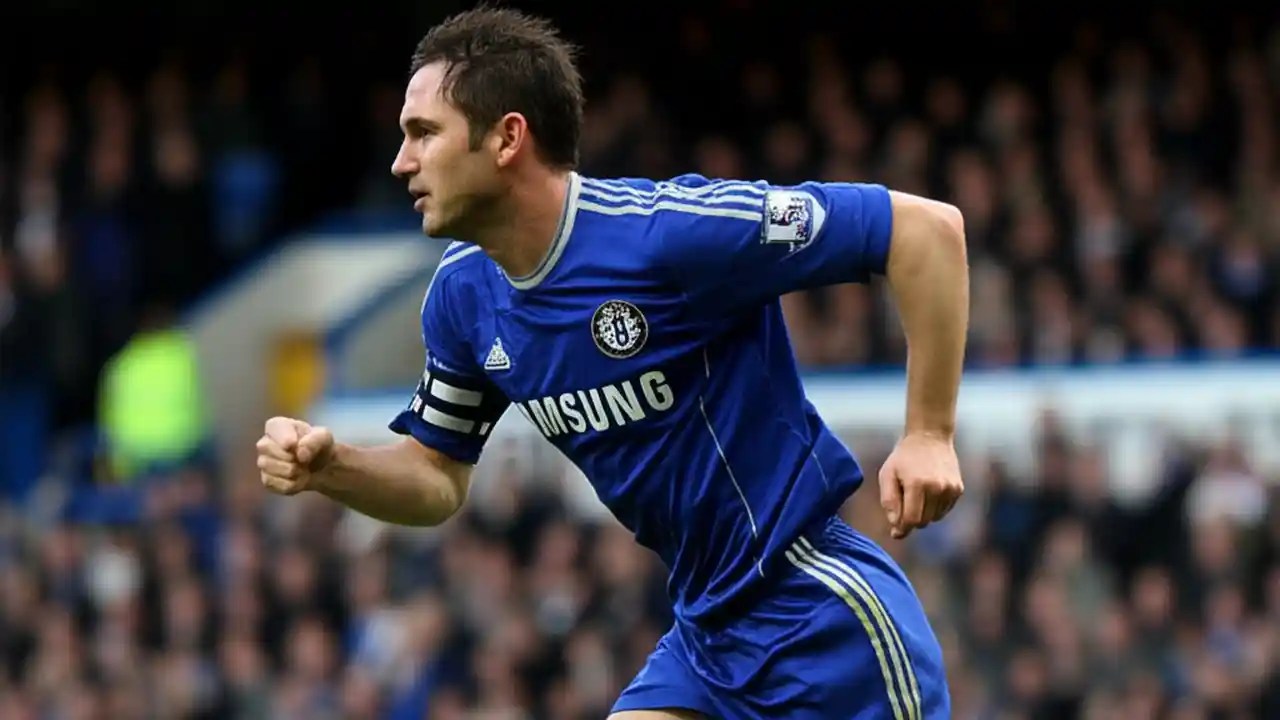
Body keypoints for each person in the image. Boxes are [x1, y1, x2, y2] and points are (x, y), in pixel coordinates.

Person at [256, 8, 967, 719]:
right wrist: (333, 467)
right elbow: (436, 477)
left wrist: (928, 431)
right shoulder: (463, 297)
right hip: (705, 637)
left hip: (818, 614)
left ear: (507, 138)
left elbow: (926, 232)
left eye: (424, 133)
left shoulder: (670, 237)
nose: (401, 161)